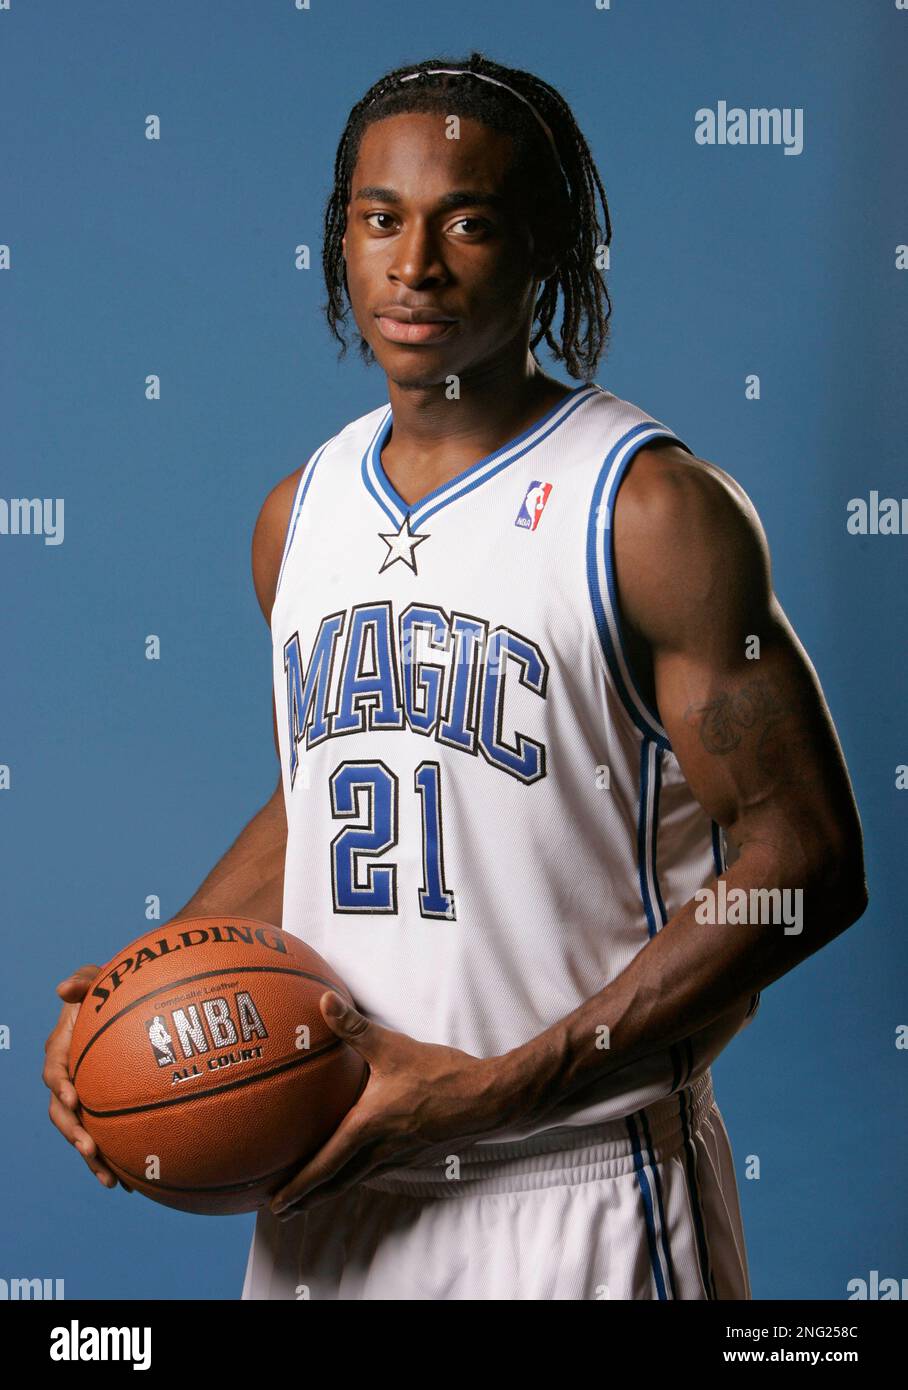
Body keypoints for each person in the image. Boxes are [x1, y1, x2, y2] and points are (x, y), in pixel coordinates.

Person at [44, 52, 868, 1301]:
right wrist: (148, 984)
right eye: (381, 219)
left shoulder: (646, 511)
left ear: (540, 250)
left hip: (571, 1184)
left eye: (466, 222)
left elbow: (804, 859)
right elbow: (333, 791)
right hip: (335, 1183)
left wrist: (490, 1090)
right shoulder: (298, 516)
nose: (414, 264)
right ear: (340, 241)